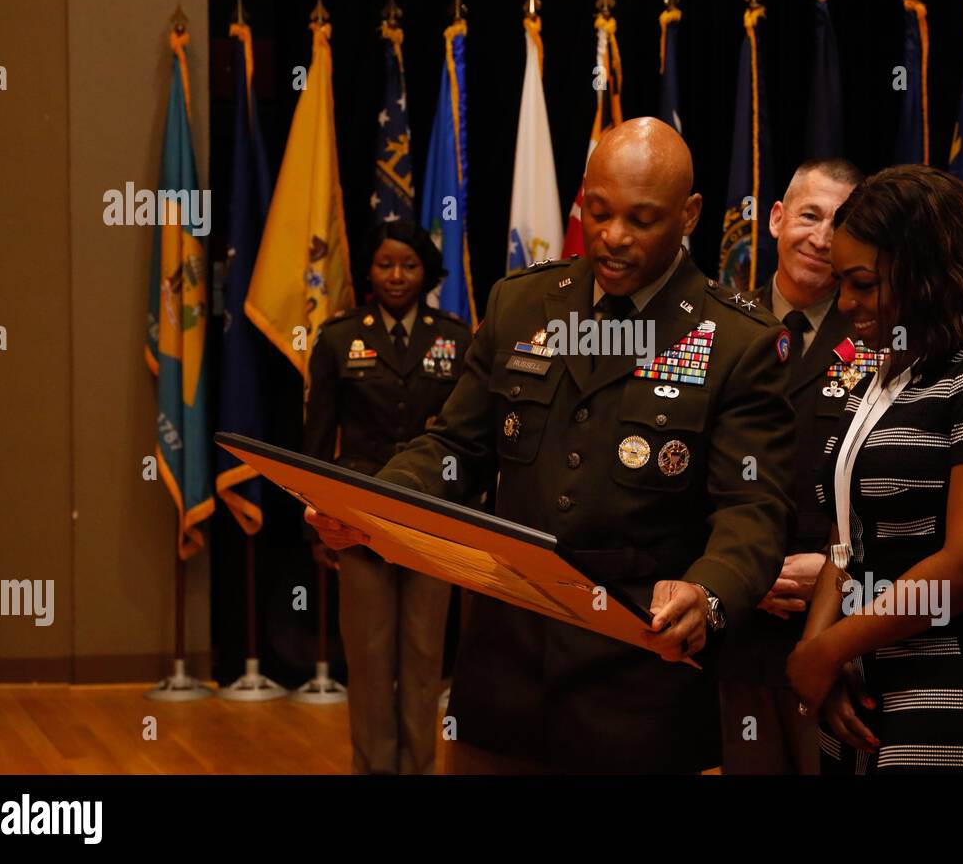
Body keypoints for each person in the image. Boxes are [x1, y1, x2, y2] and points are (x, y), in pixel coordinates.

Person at [308, 117, 794, 773]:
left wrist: (709, 593)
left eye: (641, 220)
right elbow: (455, 447)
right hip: (500, 679)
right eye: (598, 213)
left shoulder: (736, 340)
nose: (613, 237)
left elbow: (751, 508)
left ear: (689, 215)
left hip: (637, 685)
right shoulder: (524, 304)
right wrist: (374, 505)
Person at [787, 165, 963, 774]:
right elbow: (843, 540)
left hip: (952, 686)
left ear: (927, 276)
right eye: (841, 285)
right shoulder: (878, 384)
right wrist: (819, 656)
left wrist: (831, 648)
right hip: (859, 691)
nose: (845, 304)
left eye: (862, 284)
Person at [303, 219, 473, 775]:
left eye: (409, 265)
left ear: (426, 272)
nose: (397, 276)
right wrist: (317, 523)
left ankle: (420, 768)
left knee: (425, 657)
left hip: (432, 518)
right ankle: (374, 769)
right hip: (359, 518)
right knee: (371, 659)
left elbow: (469, 437)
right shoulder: (337, 336)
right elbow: (316, 439)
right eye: (385, 264)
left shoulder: (456, 336)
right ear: (368, 271)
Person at [718, 157, 861, 775]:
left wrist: (839, 573)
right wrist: (738, 569)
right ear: (777, 219)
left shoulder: (881, 339)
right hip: (735, 632)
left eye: (841, 223)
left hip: (838, 638)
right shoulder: (718, 328)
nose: (822, 238)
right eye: (810, 216)